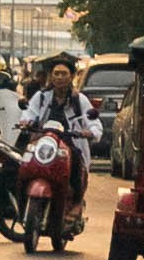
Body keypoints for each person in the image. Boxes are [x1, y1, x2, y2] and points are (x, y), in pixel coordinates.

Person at [19, 56, 103, 212]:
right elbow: (28, 114)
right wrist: (26, 122)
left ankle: (76, 203)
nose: (59, 77)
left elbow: (95, 124)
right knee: (19, 163)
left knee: (77, 162)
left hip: (68, 143)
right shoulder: (41, 97)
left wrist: (89, 132)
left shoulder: (80, 100)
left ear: (71, 76)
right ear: (51, 76)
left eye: (64, 74)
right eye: (56, 73)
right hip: (42, 142)